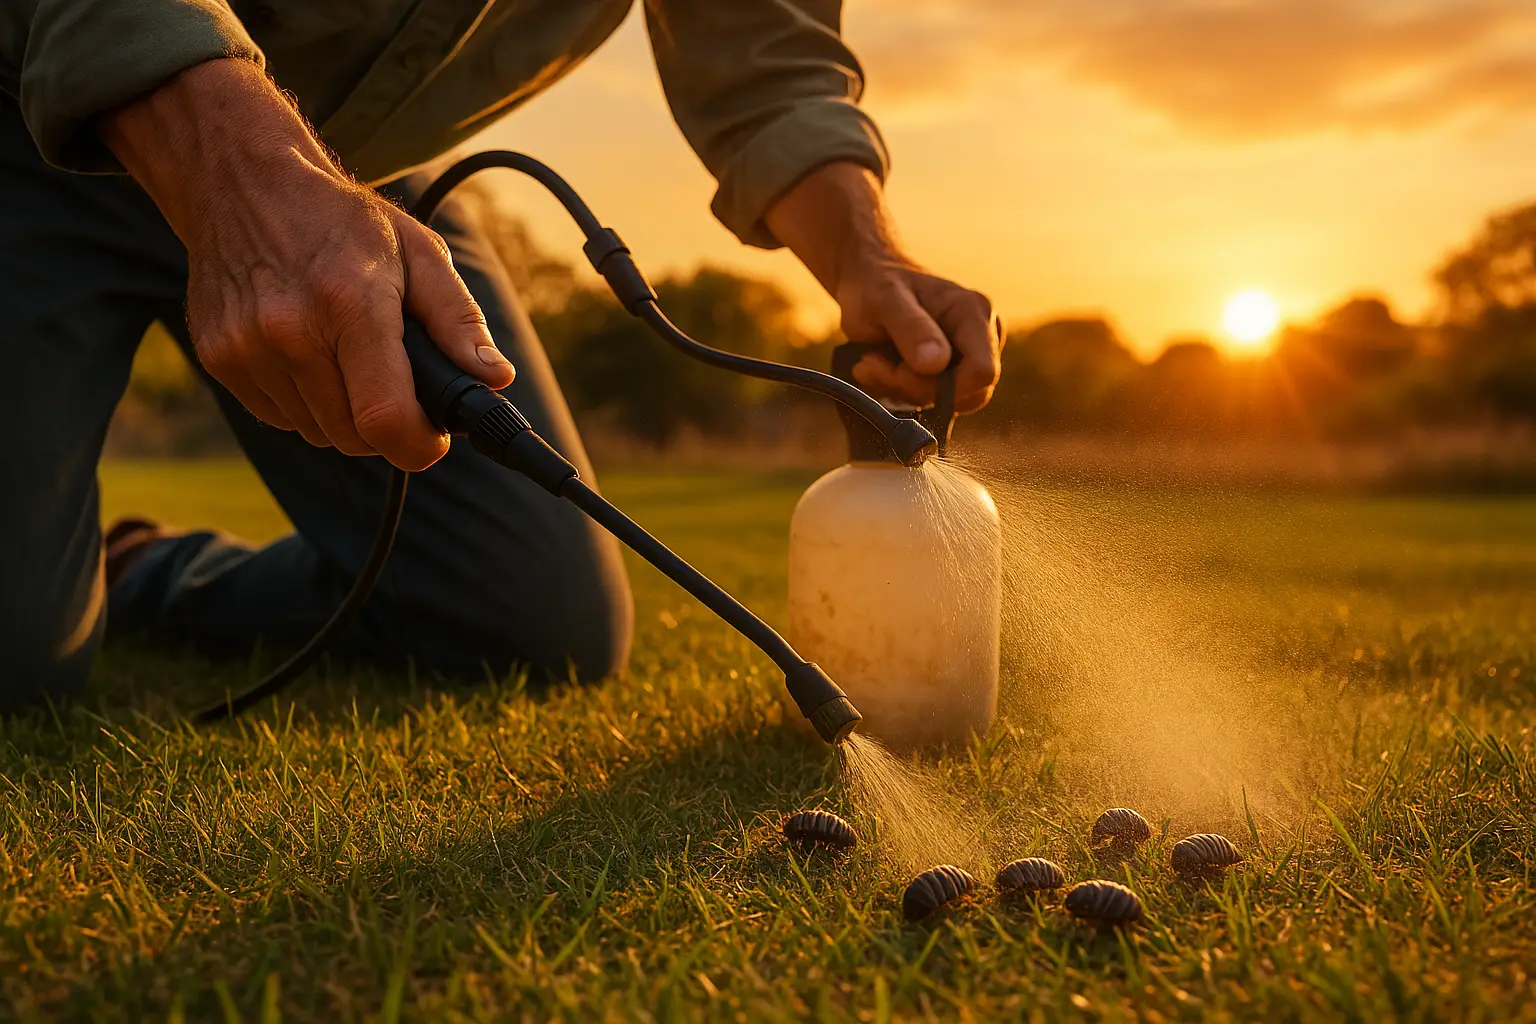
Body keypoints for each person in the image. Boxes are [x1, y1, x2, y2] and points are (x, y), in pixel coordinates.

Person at [0, 1, 1004, 710]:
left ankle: (135, 570)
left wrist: (866, 258)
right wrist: (240, 168)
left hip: (362, 181)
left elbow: (766, 60)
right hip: (31, 136)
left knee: (530, 625)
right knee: (17, 664)